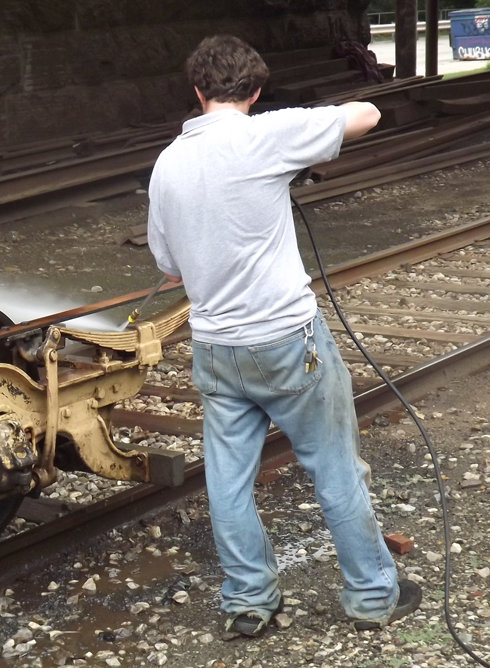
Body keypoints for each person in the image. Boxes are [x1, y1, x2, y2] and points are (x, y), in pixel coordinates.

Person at [147, 35, 422, 638]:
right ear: (255, 91)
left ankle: (248, 601)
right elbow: (368, 113)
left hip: (216, 348)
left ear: (196, 91)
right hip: (285, 341)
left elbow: (169, 266)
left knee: (227, 480)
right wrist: (288, 136)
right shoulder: (264, 135)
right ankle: (374, 595)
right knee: (334, 468)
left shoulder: (167, 162)